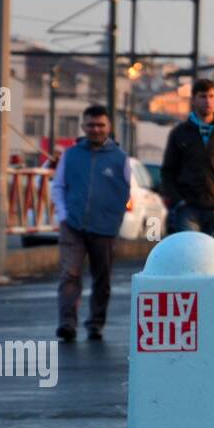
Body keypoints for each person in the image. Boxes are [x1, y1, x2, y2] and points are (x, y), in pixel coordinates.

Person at [51, 105, 131, 342]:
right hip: (72, 227)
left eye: (100, 125)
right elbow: (58, 186)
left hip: (105, 229)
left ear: (109, 127)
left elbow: (127, 193)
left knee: (102, 278)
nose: (95, 129)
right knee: (69, 275)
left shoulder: (120, 159)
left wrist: (115, 218)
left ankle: (95, 324)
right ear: (83, 126)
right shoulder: (70, 154)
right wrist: (63, 215)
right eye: (90, 125)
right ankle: (67, 324)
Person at [160, 78, 214, 234]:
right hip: (187, 209)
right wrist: (179, 201)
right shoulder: (180, 133)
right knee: (190, 255)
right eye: (203, 96)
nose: (208, 101)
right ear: (193, 100)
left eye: (211, 96)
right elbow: (168, 171)